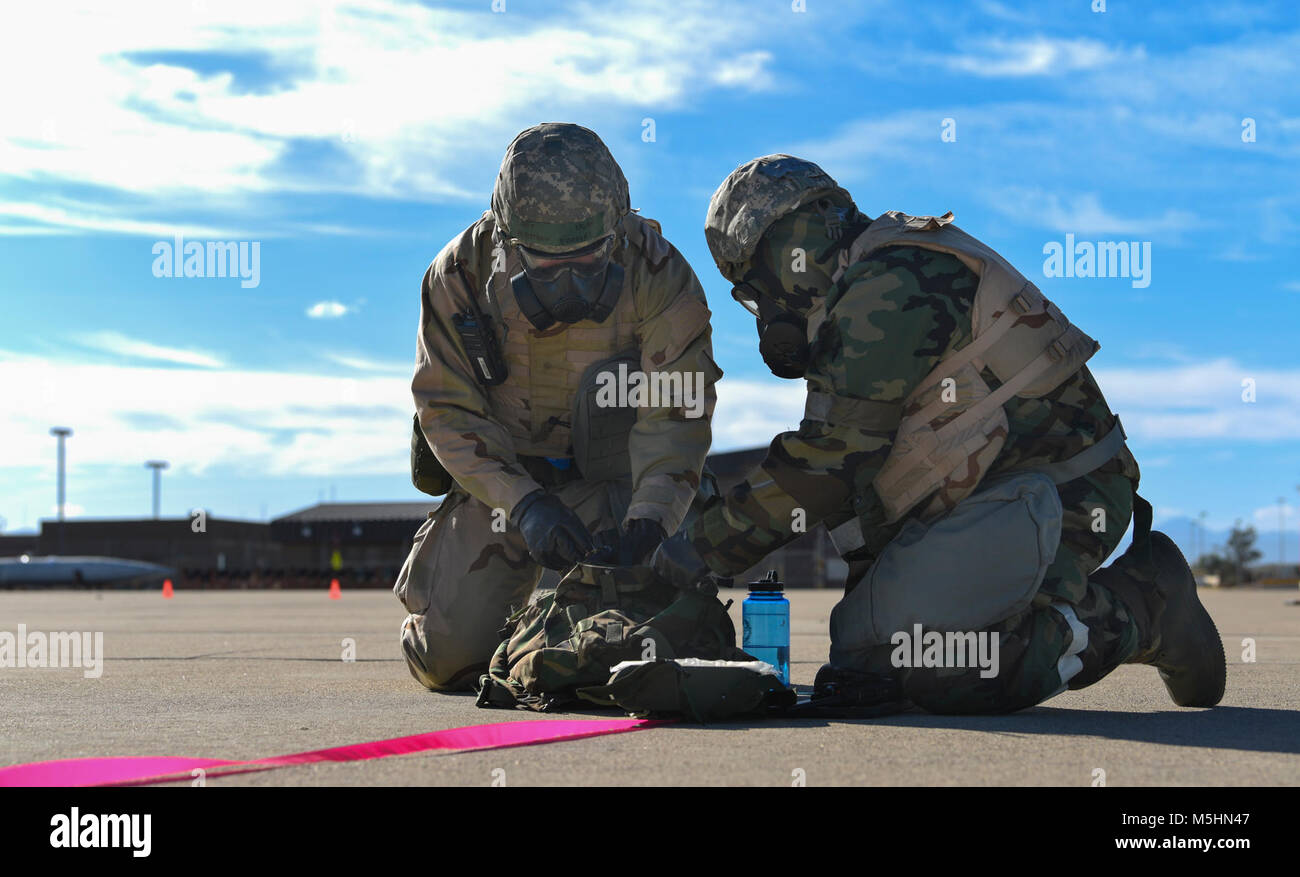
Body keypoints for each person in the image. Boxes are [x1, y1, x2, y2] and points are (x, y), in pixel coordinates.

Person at [653, 154, 1225, 714]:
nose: (768, 306)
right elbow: (859, 482)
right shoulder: (865, 286)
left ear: (787, 246)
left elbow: (833, 460)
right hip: (1003, 499)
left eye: (757, 284)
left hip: (1062, 496)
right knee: (870, 663)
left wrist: (697, 550)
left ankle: (1144, 609)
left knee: (937, 668)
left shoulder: (889, 283)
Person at [395, 123, 720, 691]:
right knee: (449, 664)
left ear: (616, 228)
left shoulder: (660, 273)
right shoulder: (458, 277)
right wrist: (524, 505)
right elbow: (447, 410)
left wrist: (652, 521)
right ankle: (488, 625)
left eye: (590, 257)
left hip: (622, 490)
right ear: (507, 236)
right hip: (507, 488)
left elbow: (677, 415)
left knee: (661, 647)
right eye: (546, 263)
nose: (570, 282)